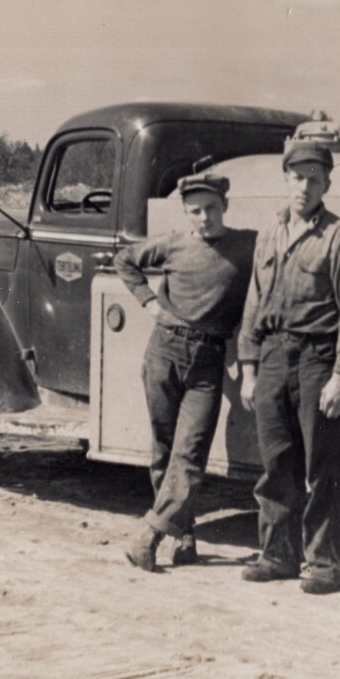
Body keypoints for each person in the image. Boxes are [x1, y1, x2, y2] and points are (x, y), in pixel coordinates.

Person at [237, 141, 340, 595]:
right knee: (276, 463)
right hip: (273, 355)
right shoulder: (269, 234)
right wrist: (250, 367)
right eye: (297, 177)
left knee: (324, 465)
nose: (305, 186)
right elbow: (254, 302)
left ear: (327, 184)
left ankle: (327, 564)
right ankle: (277, 555)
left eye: (315, 178)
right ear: (286, 179)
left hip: (317, 358)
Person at [113, 172, 257, 572]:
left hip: (208, 363)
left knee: (189, 454)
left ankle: (150, 535)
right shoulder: (173, 244)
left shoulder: (245, 245)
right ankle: (184, 533)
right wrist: (148, 303)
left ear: (224, 206)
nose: (205, 217)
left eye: (211, 208)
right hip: (163, 350)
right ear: (186, 213)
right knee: (162, 449)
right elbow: (125, 260)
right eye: (196, 210)